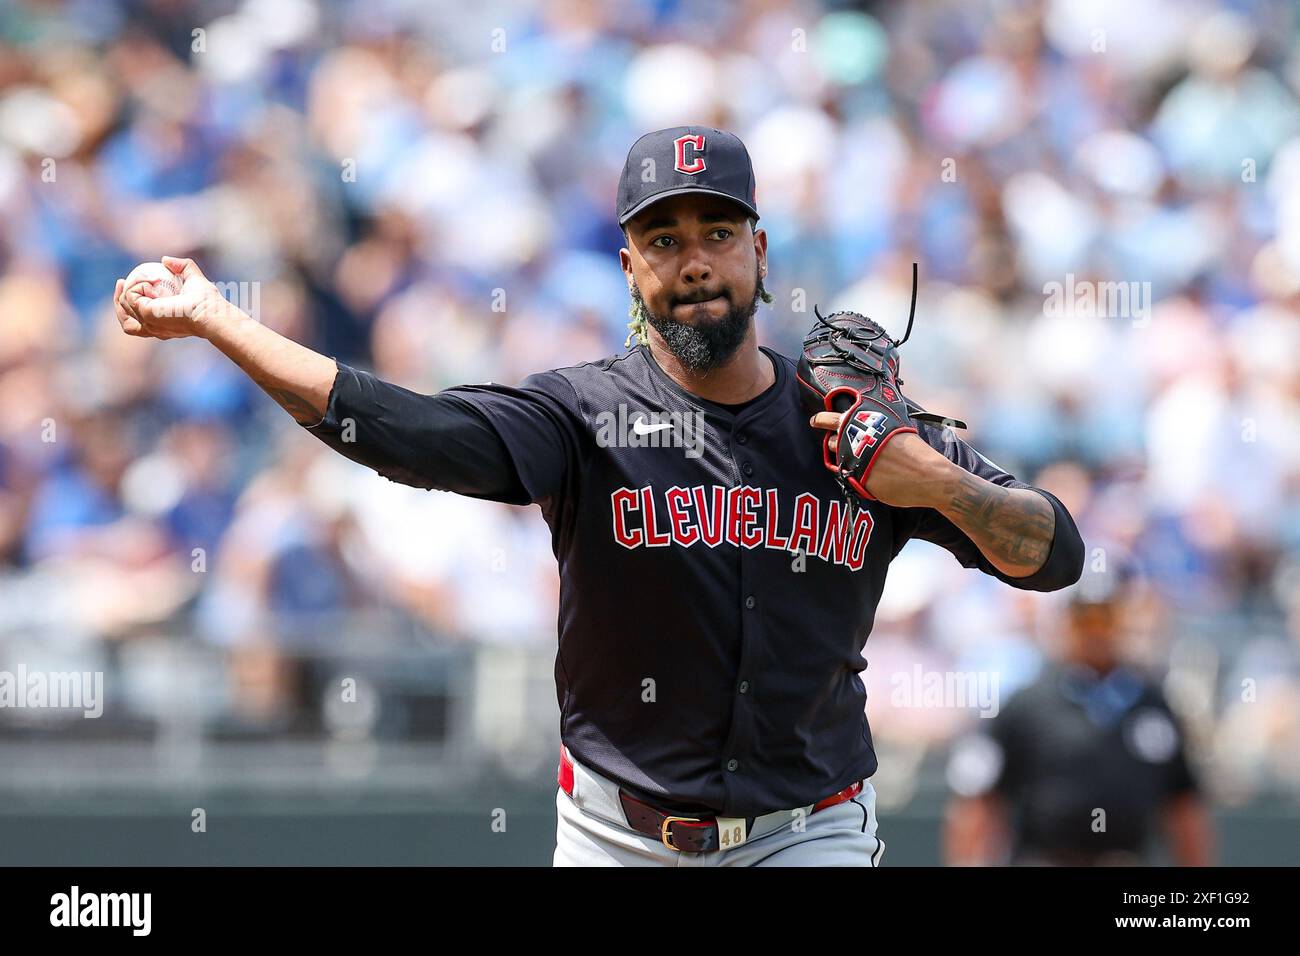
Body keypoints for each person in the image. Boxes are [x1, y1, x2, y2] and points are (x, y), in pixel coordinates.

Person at [113, 125, 1084, 866]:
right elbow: (408, 434)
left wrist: (938, 484)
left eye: (716, 231)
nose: (693, 258)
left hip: (809, 830)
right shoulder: (579, 414)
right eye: (663, 238)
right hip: (618, 833)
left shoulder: (855, 425)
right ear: (629, 266)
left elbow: (1054, 555)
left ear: (759, 251)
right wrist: (215, 319)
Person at [943, 557, 1215, 866]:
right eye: (1085, 619)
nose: (1095, 632)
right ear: (1067, 623)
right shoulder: (1028, 704)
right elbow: (979, 797)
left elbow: (1183, 804)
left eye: (1105, 618)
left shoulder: (1153, 706)